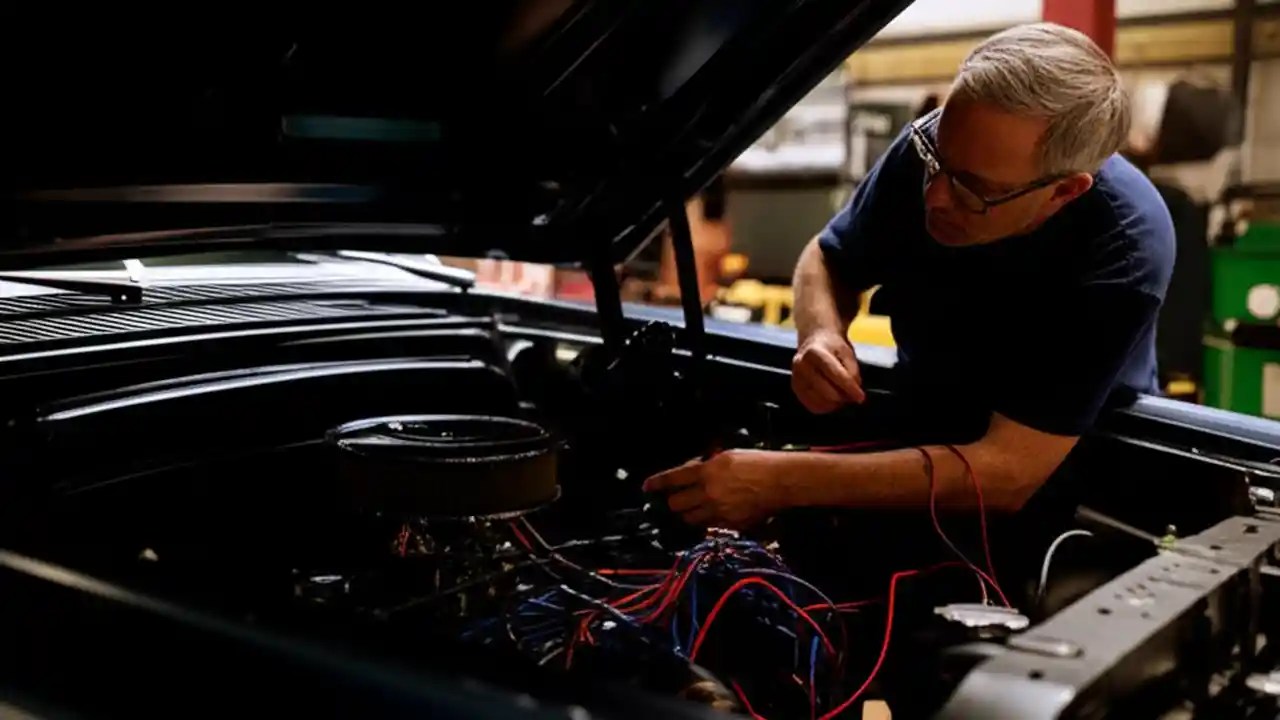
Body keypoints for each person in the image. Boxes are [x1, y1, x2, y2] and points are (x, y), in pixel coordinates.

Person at [644, 23, 1175, 531]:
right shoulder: (931, 154)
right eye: (935, 159)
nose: (934, 196)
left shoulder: (1122, 251)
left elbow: (1007, 473)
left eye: (971, 188)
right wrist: (821, 333)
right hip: (915, 444)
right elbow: (828, 258)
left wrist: (781, 481)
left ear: (1064, 192)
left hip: (1060, 495)